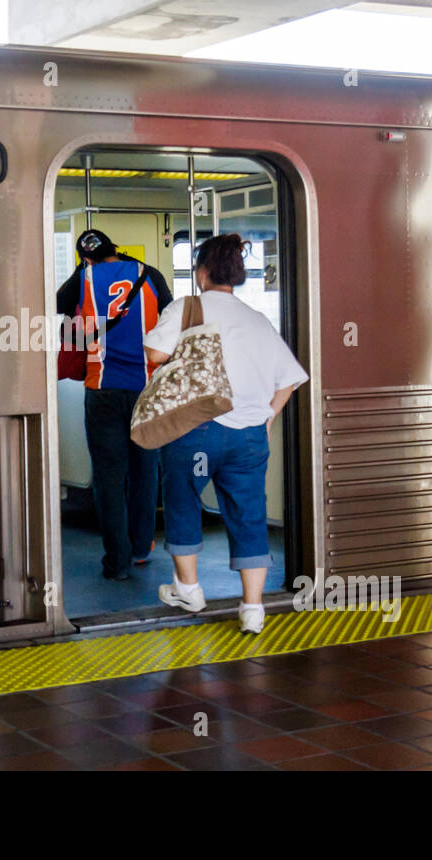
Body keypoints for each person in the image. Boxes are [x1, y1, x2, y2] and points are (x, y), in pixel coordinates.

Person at [143, 233, 307, 633]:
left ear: (202, 273)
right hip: (248, 435)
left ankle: (189, 588)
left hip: (195, 429)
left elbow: (155, 354)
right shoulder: (257, 319)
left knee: (183, 500)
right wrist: (268, 418)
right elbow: (289, 380)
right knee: (249, 514)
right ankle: (253, 608)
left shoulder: (187, 307)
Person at [57, 229, 173, 580]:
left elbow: (58, 304)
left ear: (85, 258)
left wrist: (83, 269)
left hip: (103, 389)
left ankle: (117, 562)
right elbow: (171, 318)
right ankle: (140, 549)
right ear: (115, 249)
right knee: (145, 471)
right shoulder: (149, 274)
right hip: (146, 388)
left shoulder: (84, 278)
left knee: (109, 477)